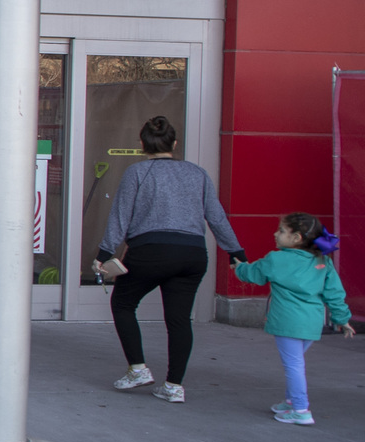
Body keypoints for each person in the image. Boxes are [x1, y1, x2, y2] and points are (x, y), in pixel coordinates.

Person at [95, 115, 245, 403]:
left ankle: (138, 369)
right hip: (192, 253)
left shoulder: (137, 172)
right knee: (179, 320)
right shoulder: (197, 173)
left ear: (142, 144)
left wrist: (104, 254)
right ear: (175, 143)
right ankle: (174, 386)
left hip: (151, 250)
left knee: (123, 303)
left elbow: (120, 216)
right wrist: (236, 253)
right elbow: (216, 217)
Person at [232, 213, 353, 425]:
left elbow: (253, 274)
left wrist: (239, 267)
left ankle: (300, 409)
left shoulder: (276, 259)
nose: (275, 234)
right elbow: (334, 292)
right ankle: (290, 402)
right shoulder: (323, 261)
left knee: (294, 365)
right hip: (312, 323)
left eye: (281, 230)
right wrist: (342, 318)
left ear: (296, 237)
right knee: (296, 362)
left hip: (287, 322)